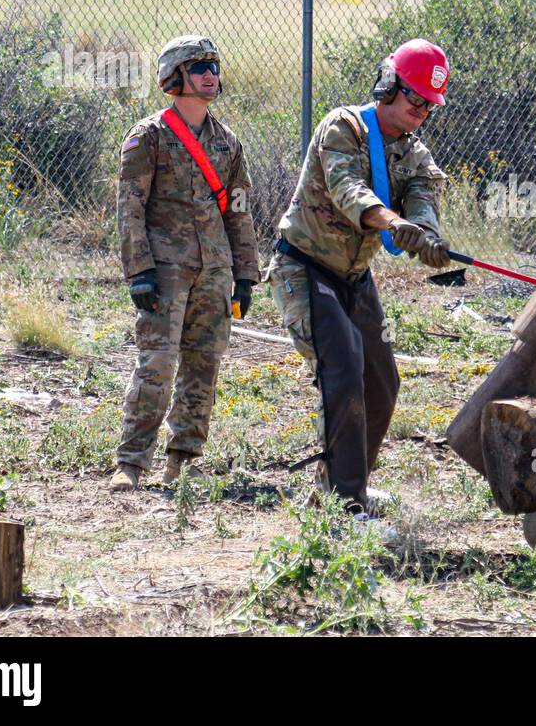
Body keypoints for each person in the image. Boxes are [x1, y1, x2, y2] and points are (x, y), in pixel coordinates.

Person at [268, 38, 451, 516]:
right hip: (305, 267)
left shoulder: (413, 151)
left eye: (429, 104)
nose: (421, 111)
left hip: (353, 276)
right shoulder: (343, 127)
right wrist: (394, 224)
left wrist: (427, 234)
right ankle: (344, 509)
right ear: (389, 85)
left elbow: (423, 195)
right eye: (414, 98)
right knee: (343, 369)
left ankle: (345, 485)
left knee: (381, 379)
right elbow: (349, 190)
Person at [111, 35, 259, 491]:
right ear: (174, 78)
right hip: (166, 271)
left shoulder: (227, 143)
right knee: (155, 364)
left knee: (203, 366)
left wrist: (245, 274)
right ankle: (132, 463)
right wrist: (139, 270)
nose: (211, 75)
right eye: (199, 67)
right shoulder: (148, 136)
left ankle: (183, 460)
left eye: (214, 66)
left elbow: (238, 210)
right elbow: (129, 206)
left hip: (214, 272)